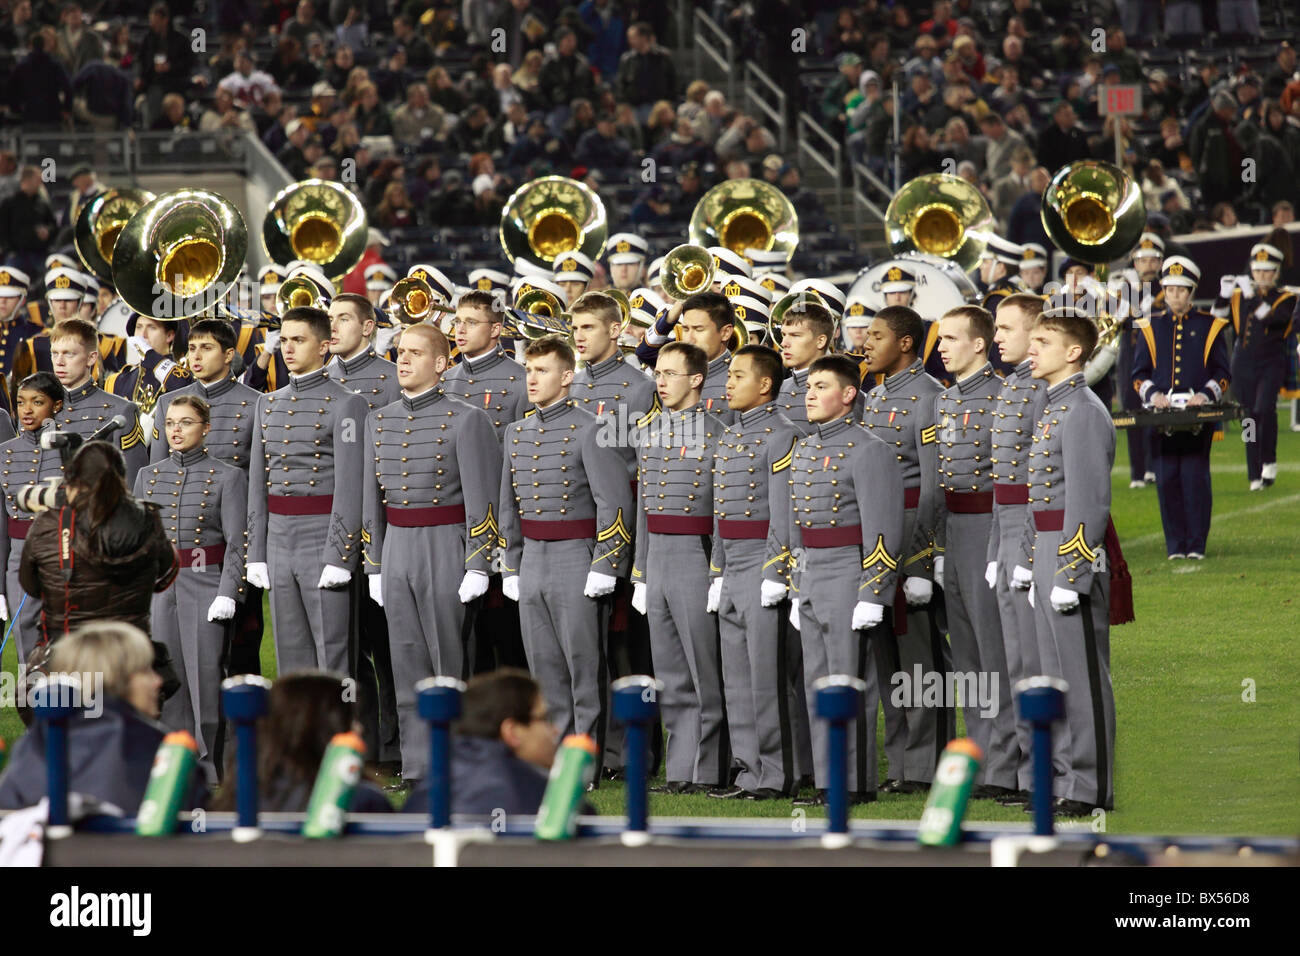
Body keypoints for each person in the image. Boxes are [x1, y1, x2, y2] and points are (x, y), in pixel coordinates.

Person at [363, 323, 501, 783]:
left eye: (416, 353)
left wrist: (479, 563)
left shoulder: (467, 418)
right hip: (398, 547)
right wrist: (374, 564)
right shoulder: (377, 419)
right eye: (400, 352)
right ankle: (418, 763)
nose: (402, 360)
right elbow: (371, 501)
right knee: (405, 662)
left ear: (441, 364)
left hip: (446, 544)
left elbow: (485, 497)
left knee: (450, 662)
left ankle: (457, 764)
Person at [498, 335, 633, 781]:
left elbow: (614, 503)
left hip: (577, 556)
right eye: (528, 370)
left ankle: (585, 762)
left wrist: (605, 564)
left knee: (584, 668)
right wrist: (511, 563)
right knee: (544, 668)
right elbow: (508, 506)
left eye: (541, 371)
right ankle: (553, 757)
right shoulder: (516, 432)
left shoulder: (590, 428)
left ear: (567, 377)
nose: (531, 379)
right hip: (533, 557)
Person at [1012, 306, 1116, 816]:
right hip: (1049, 548)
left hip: (1072, 553)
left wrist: (1071, 573)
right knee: (1054, 674)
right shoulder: (1052, 407)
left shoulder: (1082, 411)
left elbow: (1088, 501)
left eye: (1043, 342)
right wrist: (1033, 560)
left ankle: (1089, 785)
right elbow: (1041, 495)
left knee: (1082, 677)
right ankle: (1065, 779)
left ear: (1073, 352)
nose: (1031, 349)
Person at [789, 355, 903, 806]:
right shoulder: (806, 447)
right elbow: (798, 526)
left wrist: (874, 591)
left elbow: (883, 528)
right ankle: (826, 778)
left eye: (821, 386)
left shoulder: (869, 448)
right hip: (813, 572)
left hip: (849, 570)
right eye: (808, 386)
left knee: (849, 680)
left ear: (849, 394)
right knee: (818, 682)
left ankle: (852, 781)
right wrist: (798, 585)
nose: (809, 394)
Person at [706, 344, 810, 801]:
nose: (728, 383)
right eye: (728, 375)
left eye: (738, 376)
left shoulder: (782, 434)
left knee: (768, 675)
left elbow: (786, 512)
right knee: (737, 677)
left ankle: (779, 773)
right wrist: (717, 569)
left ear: (765, 385)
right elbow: (718, 511)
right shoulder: (730, 434)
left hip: (764, 560)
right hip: (732, 562)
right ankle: (748, 771)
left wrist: (777, 569)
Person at [245, 306, 368, 673]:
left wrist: (340, 555)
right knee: (290, 654)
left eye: (299, 340)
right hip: (279, 541)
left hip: (322, 535)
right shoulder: (267, 403)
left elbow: (351, 485)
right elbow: (257, 481)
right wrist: (256, 552)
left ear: (324, 346)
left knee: (335, 655)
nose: (288, 348)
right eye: (284, 340)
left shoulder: (348, 403)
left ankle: (343, 730)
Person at [628, 342, 727, 794]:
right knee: (669, 671)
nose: (661, 382)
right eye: (658, 374)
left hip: (695, 552)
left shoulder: (719, 434)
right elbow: (644, 510)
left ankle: (708, 769)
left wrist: (717, 570)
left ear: (697, 379)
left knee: (703, 670)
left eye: (670, 374)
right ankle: (679, 768)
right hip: (660, 557)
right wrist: (640, 573)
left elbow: (726, 512)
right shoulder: (649, 432)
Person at [567, 290, 658, 778]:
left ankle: (636, 754)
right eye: (575, 328)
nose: (579, 337)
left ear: (615, 330)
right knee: (586, 649)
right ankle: (595, 749)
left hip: (621, 524)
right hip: (576, 528)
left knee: (627, 648)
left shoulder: (639, 387)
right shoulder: (572, 384)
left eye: (588, 328)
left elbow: (646, 468)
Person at [132, 396, 246, 785]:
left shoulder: (228, 476)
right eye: (170, 424)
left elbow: (237, 541)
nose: (176, 431)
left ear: (206, 429)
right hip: (161, 587)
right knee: (167, 678)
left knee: (206, 678)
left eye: (186, 423)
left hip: (206, 583)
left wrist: (228, 590)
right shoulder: (148, 476)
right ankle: (175, 764)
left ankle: (213, 770)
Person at [859, 306, 950, 793]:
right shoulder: (872, 396)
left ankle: (926, 762)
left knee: (920, 656)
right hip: (877, 536)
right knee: (885, 655)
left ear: (907, 343)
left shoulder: (930, 397)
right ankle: (900, 762)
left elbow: (935, 485)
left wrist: (921, 557)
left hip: (912, 529)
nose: (866, 342)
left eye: (876, 335)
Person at [933, 305, 1017, 798]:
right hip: (955, 528)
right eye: (940, 339)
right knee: (966, 655)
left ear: (979, 345)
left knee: (995, 653)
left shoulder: (1004, 397)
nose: (941, 347)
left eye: (951, 339)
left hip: (989, 526)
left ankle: (1006, 765)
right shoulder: (945, 402)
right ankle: (982, 757)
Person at [0, 622, 199, 814]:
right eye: (146, 670)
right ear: (117, 678)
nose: (158, 681)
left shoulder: (32, 747)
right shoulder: (164, 753)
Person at [984, 294, 1053, 804]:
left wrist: (1025, 554)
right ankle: (1027, 772)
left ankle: (1045, 774)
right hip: (1007, 529)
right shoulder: (1012, 388)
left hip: (1029, 531)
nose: (997, 337)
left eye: (1006, 328)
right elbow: (1000, 486)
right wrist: (995, 550)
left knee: (1037, 661)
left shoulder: (1042, 392)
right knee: (1016, 661)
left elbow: (1041, 483)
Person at [20, 440, 178, 644]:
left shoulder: (47, 525)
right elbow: (166, 569)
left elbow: (31, 586)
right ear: (121, 477)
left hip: (67, 651)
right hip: (131, 651)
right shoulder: (147, 518)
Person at [1131, 257, 1231, 559]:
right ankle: (1175, 545)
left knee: (1194, 476)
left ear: (1192, 291)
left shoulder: (1209, 325)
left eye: (1182, 290)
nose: (1175, 295)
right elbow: (1138, 375)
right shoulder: (1149, 327)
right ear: (1163, 289)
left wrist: (1204, 395)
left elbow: (1223, 373)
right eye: (1170, 289)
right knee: (1166, 478)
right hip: (1161, 416)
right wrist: (1153, 396)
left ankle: (1196, 544)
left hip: (1196, 414)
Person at [214, 671, 392, 813]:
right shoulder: (363, 800)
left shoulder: (233, 799)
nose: (360, 728)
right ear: (328, 730)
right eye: (350, 719)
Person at [402, 669, 559, 816]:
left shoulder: (425, 790)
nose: (554, 730)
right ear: (511, 731)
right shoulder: (544, 797)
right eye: (544, 719)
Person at [1212, 244, 1294, 490]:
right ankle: (1253, 472)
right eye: (1257, 271)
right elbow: (1217, 321)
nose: (1262, 276)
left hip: (1271, 362)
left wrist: (1250, 295)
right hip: (1243, 364)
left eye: (1267, 271)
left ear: (1276, 273)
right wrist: (1224, 294)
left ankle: (1268, 459)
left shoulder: (1286, 298)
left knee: (1264, 409)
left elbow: (1272, 319)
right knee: (1248, 416)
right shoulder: (1239, 297)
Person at [0, 373, 59, 661]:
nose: (26, 410)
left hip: (63, 551)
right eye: (21, 402)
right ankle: (33, 705)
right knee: (23, 629)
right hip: (19, 555)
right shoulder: (4, 452)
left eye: (37, 402)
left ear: (56, 406)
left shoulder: (74, 449)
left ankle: (70, 704)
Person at [48, 319, 147, 482]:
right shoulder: (37, 409)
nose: (59, 362)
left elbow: (133, 482)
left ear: (91, 358)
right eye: (55, 353)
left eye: (69, 354)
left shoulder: (122, 410)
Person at [775, 294, 848, 436]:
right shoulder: (779, 387)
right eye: (784, 335)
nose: (784, 343)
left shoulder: (841, 390)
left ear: (820, 341)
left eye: (795, 335)